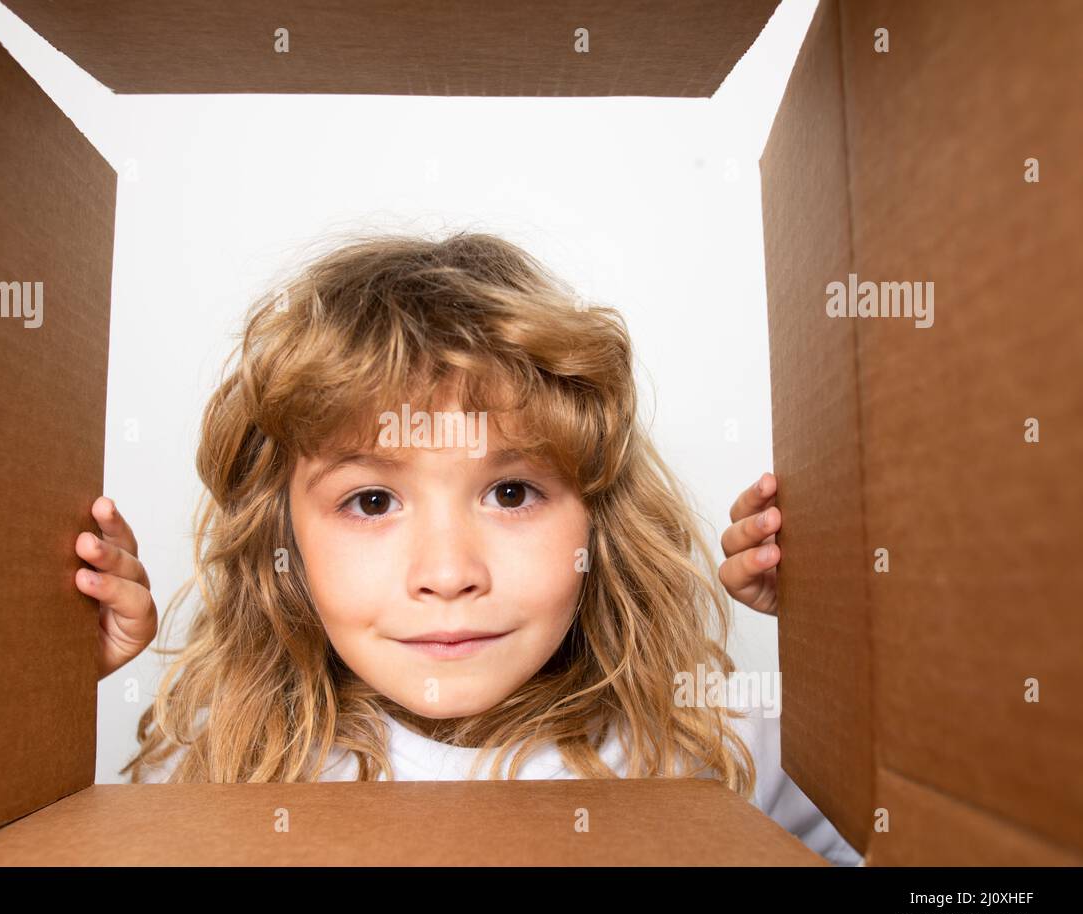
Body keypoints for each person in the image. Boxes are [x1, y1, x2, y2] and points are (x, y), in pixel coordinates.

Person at [71, 232, 861, 865]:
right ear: (283, 546)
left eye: (511, 493)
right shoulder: (226, 762)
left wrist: (842, 643)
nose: (448, 574)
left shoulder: (717, 741)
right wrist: (48, 687)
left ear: (600, 524)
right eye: (371, 501)